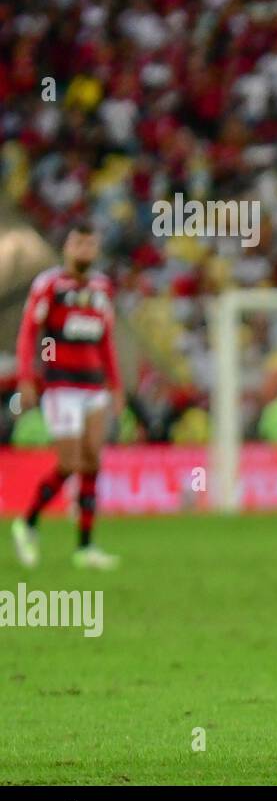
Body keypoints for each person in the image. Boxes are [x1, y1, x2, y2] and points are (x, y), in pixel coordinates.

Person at [11, 221, 123, 570]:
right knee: (69, 463)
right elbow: (31, 333)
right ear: (67, 248)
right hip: (61, 386)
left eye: (91, 244)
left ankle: (85, 547)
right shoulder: (50, 285)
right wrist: (27, 376)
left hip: (94, 387)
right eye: (79, 243)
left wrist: (115, 384)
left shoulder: (103, 288)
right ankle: (26, 523)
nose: (85, 250)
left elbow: (105, 340)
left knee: (92, 463)